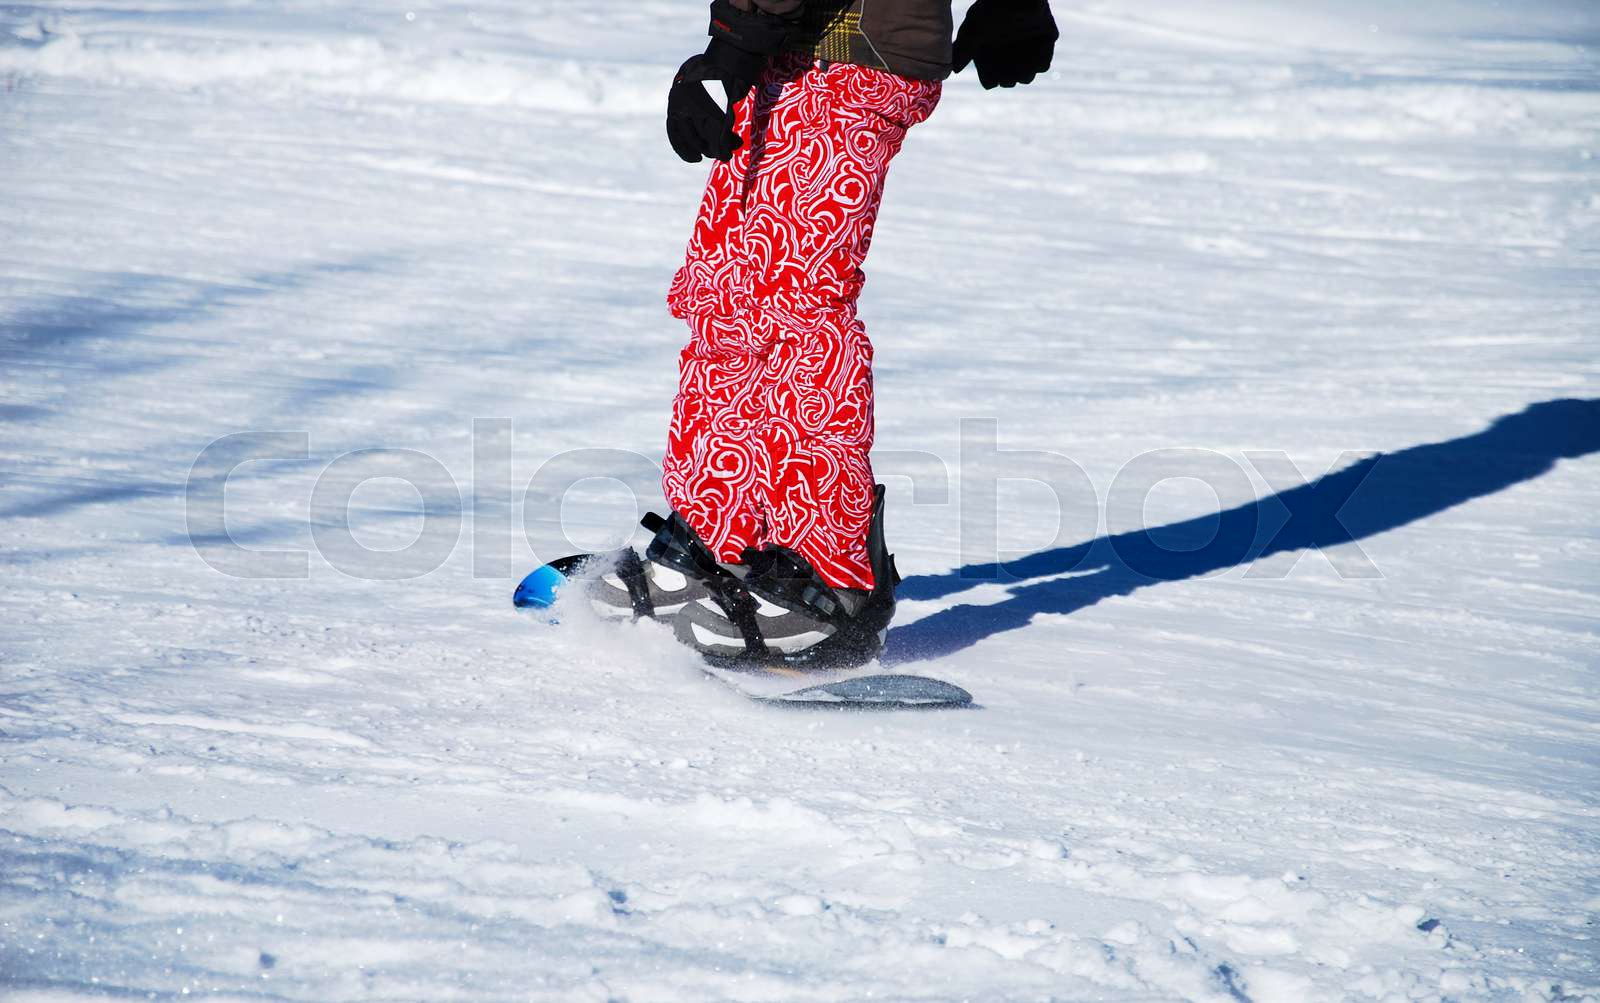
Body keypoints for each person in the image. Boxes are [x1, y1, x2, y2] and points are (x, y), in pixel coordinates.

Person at [590, 0, 1059, 668]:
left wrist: (734, 39)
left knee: (797, 305)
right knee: (729, 293)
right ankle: (718, 544)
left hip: (845, 49)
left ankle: (828, 581)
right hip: (802, 45)